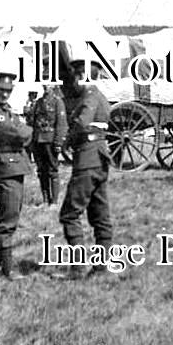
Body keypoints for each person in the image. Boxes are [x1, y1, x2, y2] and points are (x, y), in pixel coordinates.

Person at [60, 57, 113, 279]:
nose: (78, 80)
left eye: (80, 76)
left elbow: (82, 122)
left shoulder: (90, 96)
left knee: (69, 214)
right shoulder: (101, 96)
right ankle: (101, 267)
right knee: (100, 214)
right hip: (100, 158)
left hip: (87, 159)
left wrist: (66, 142)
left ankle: (77, 268)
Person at [0, 72, 34, 279]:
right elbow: (18, 133)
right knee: (8, 217)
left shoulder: (6, 110)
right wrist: (25, 131)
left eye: (8, 91)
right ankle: (7, 268)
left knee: (12, 213)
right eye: (1, 90)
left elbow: (20, 130)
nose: (5, 94)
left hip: (16, 167)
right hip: (6, 168)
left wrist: (23, 131)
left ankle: (0, 261)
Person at [30, 83, 67, 206]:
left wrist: (58, 142)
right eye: (44, 83)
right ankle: (45, 200)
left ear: (54, 85)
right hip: (38, 140)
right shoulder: (39, 102)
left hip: (50, 141)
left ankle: (54, 202)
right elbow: (33, 122)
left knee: (52, 170)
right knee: (41, 171)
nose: (46, 86)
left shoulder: (58, 102)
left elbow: (61, 124)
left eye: (49, 83)